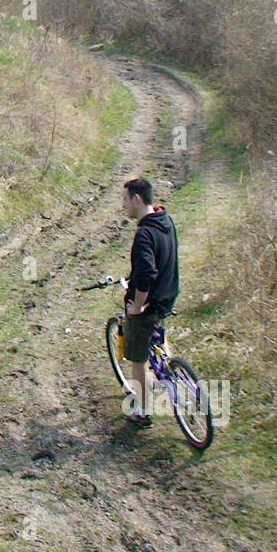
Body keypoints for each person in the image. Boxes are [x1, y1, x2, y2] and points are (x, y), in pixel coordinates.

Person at [119, 177, 179, 428]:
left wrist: (137, 306)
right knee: (159, 338)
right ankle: (170, 373)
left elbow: (145, 275)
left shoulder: (144, 233)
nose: (123, 206)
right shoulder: (165, 220)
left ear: (137, 199)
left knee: (138, 360)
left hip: (151, 303)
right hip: (168, 295)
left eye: (125, 200)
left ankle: (142, 411)